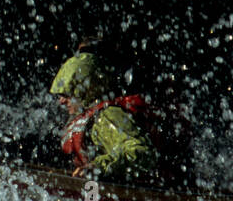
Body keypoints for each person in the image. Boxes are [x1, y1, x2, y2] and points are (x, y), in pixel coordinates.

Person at [49, 50, 159, 185]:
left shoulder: (107, 116)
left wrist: (98, 167)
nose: (61, 101)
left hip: (133, 196)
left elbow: (143, 153)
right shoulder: (87, 116)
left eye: (66, 94)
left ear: (86, 90)